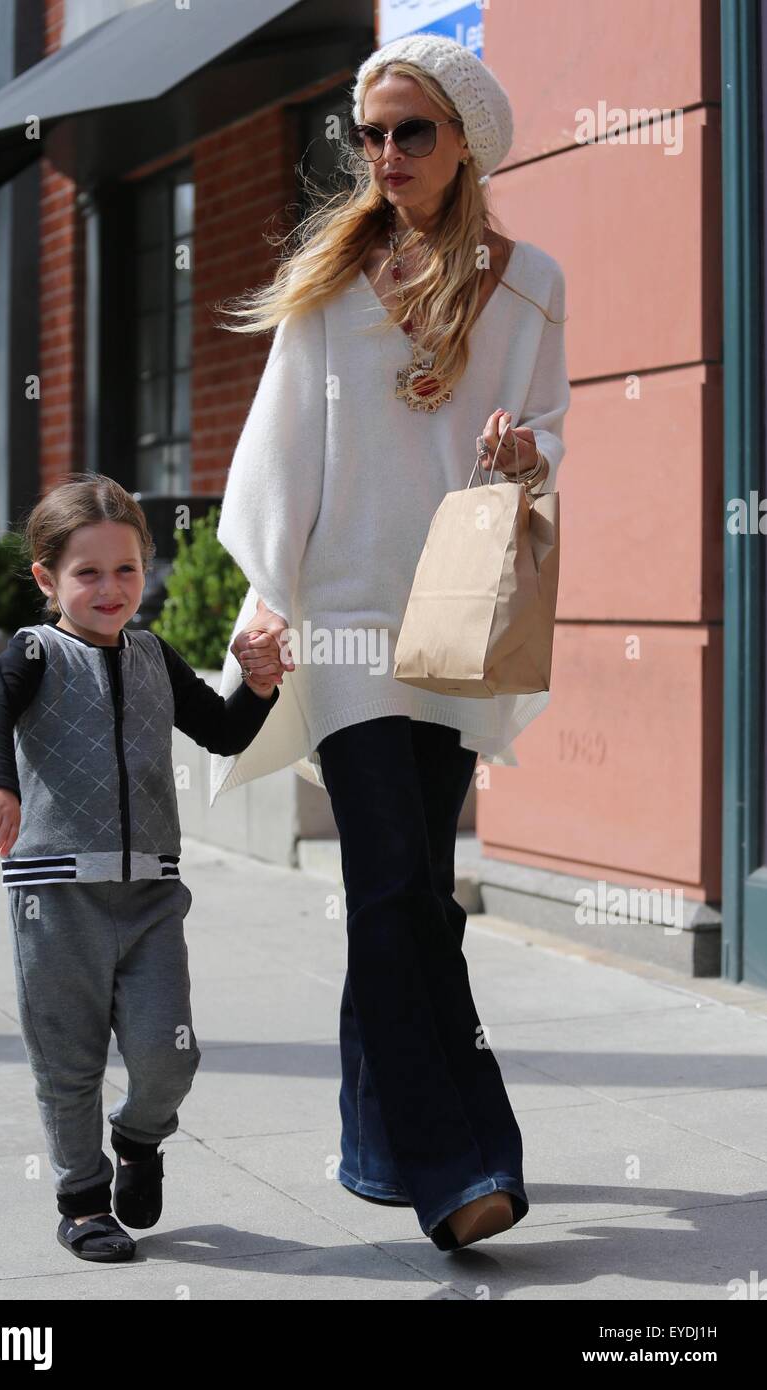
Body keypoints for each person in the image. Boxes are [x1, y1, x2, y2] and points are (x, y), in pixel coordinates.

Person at [208, 34, 571, 1251]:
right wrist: (266, 593)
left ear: (463, 139)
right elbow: (278, 447)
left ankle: (376, 1140)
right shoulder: (331, 278)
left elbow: (553, 428)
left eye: (411, 131)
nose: (385, 155)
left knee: (417, 897)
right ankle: (458, 1167)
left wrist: (532, 455)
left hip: (454, 612)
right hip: (348, 616)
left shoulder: (529, 284)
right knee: (388, 889)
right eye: (367, 135)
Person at [0, 473, 283, 1262]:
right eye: (87, 573)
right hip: (55, 897)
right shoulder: (35, 652)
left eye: (127, 569)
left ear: (146, 567)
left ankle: (140, 1138)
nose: (111, 589)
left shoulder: (152, 655)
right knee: (67, 1059)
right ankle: (81, 1201)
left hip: (149, 897)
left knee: (167, 1053)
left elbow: (221, 730)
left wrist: (261, 686)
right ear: (48, 579)